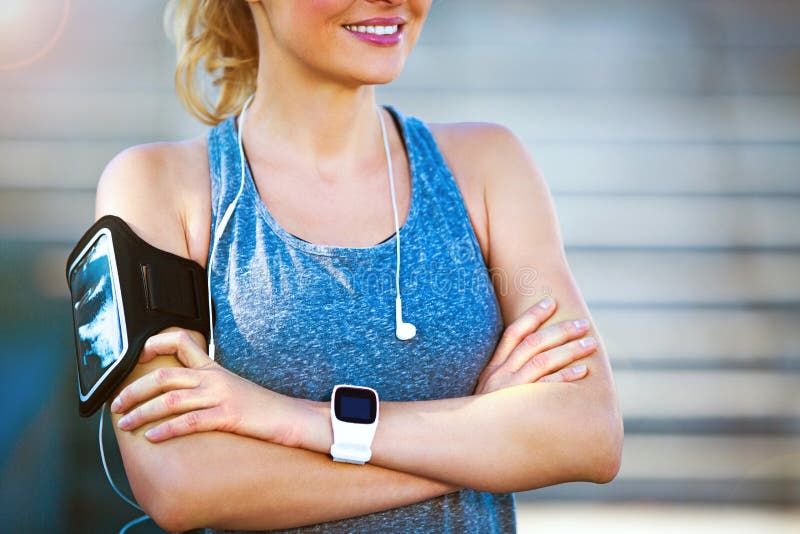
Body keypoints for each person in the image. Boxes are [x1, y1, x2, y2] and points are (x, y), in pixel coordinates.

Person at [99, 0, 623, 532]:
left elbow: (587, 432)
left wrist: (296, 420)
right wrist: (478, 441)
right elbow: (180, 483)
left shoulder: (489, 164)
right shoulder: (159, 187)